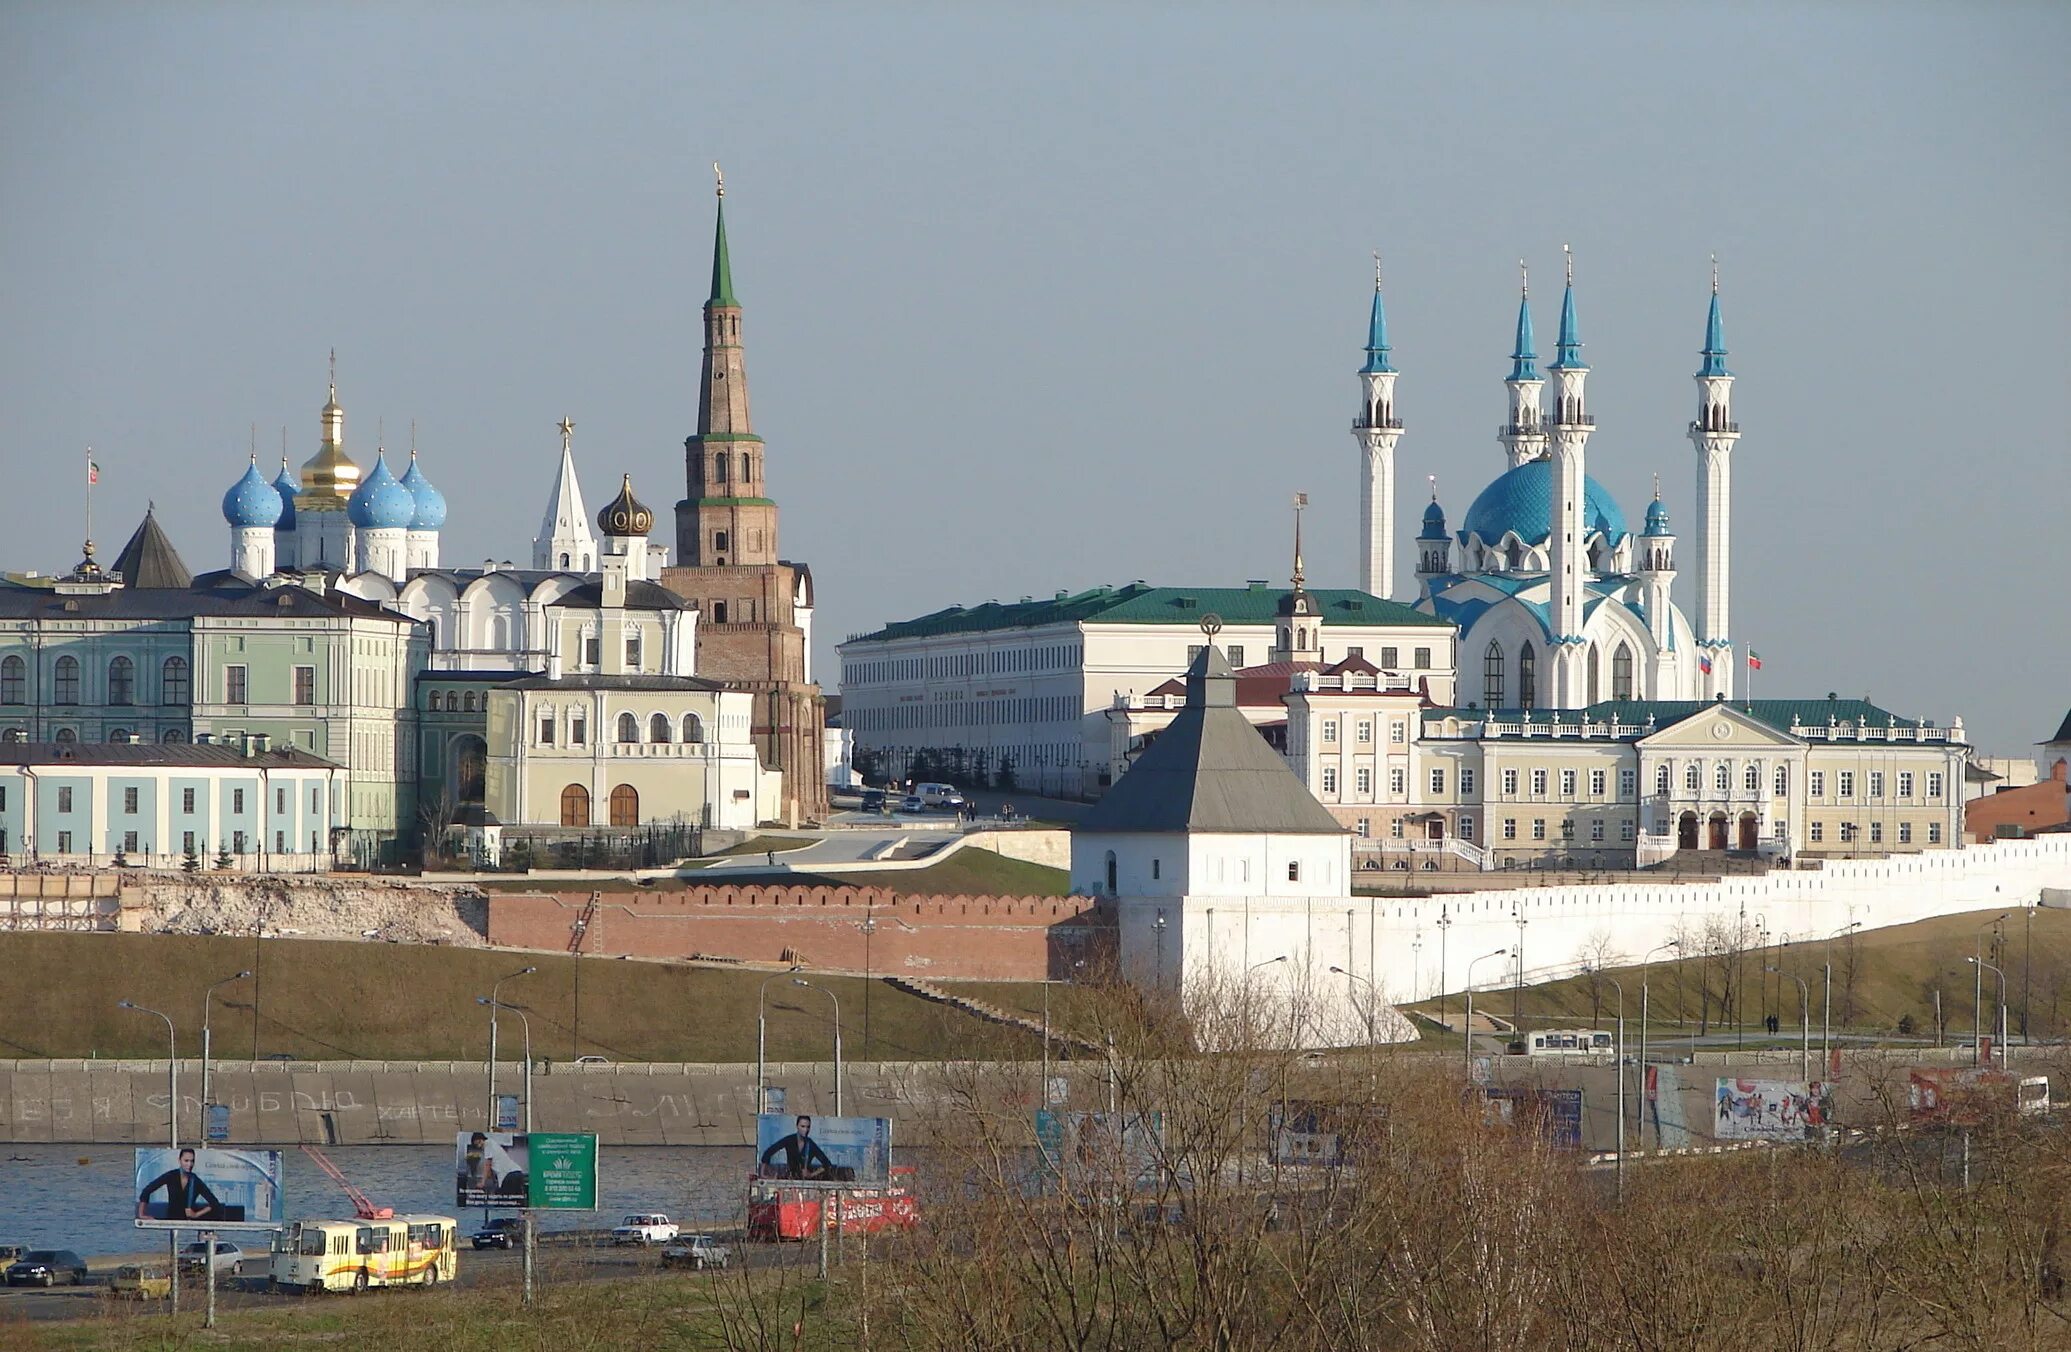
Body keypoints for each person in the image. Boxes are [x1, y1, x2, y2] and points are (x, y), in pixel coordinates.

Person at [137, 1147, 223, 1221]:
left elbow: (214, 1203)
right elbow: (147, 1190)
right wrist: (142, 1214)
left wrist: (196, 1214)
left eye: (192, 1161)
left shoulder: (195, 1180)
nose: (189, 1164)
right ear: (179, 1160)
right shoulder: (171, 1175)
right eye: (186, 1161)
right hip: (171, 1217)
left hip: (189, 1220)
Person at [759, 1114, 835, 1180]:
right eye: (802, 1126)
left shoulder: (810, 1144)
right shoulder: (789, 1140)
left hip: (804, 1181)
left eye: (808, 1127)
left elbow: (827, 1164)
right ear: (797, 1126)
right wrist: (763, 1174)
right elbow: (769, 1152)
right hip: (790, 1179)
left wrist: (811, 1174)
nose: (805, 1130)